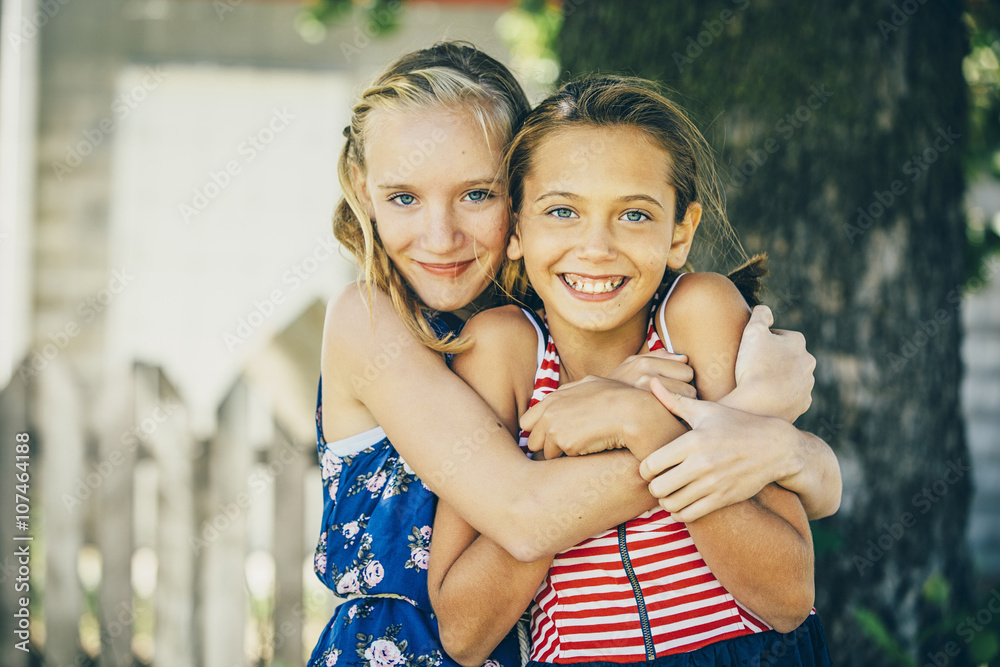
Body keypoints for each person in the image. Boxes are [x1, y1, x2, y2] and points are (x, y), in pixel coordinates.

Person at [310, 42, 840, 667]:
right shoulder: (371, 320)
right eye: (403, 197)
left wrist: (793, 453)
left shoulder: (543, 326)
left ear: (514, 212)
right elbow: (528, 516)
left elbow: (788, 583)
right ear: (362, 191)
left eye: (476, 194)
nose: (441, 235)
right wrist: (739, 415)